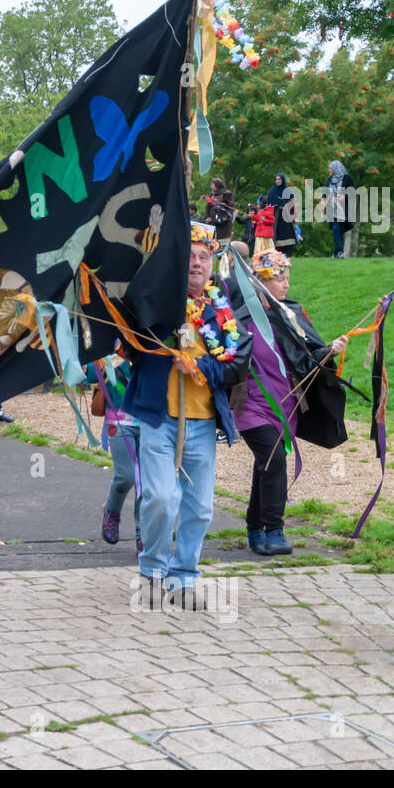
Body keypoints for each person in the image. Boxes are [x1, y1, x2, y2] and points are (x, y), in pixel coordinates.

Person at [122, 223, 252, 598]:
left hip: (201, 422)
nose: (195, 263)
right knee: (162, 499)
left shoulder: (223, 310)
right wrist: (163, 330)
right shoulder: (157, 301)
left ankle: (183, 577)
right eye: (189, 256)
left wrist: (197, 366)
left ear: (212, 265)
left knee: (200, 509)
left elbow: (236, 365)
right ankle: (152, 569)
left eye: (203, 257)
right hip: (159, 419)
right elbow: (131, 342)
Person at [231, 251, 349, 555]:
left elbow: (305, 358)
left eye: (286, 278)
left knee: (266, 465)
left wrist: (329, 351)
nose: (286, 285)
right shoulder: (238, 319)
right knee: (274, 458)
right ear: (260, 281)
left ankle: (255, 528)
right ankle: (275, 529)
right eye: (279, 279)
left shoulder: (289, 315)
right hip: (250, 408)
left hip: (286, 408)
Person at [97, 347, 141, 549]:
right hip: (119, 419)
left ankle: (144, 535)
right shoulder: (110, 340)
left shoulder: (155, 336)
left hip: (153, 421)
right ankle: (112, 511)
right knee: (127, 476)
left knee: (147, 482)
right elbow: (89, 372)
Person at [326, 160, 356, 258]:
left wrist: (344, 196)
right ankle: (339, 252)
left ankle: (337, 252)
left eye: (330, 168)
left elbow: (352, 191)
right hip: (331, 208)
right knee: (335, 228)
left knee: (339, 230)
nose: (329, 170)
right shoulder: (329, 180)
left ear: (336, 168)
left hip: (342, 209)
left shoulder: (346, 179)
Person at [264, 173, 296, 257]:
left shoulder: (287, 190)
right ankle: (277, 253)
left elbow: (292, 204)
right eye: (276, 179)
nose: (278, 181)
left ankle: (289, 253)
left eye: (279, 179)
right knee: (277, 233)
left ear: (282, 180)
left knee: (288, 233)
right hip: (276, 215)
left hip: (286, 215)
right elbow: (268, 205)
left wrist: (294, 216)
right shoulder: (271, 191)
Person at [205, 177, 235, 241]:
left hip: (222, 223)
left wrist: (226, 217)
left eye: (212, 184)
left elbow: (229, 208)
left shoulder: (226, 194)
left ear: (217, 185)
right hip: (212, 222)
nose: (211, 186)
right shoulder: (212, 194)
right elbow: (208, 207)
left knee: (221, 242)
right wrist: (208, 217)